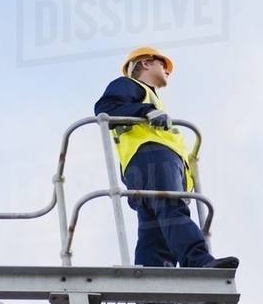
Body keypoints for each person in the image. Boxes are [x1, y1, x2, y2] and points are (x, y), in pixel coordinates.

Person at [94, 46, 238, 270]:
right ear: (145, 63)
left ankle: (151, 290)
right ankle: (199, 261)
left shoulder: (152, 98)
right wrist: (146, 111)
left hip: (147, 163)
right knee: (171, 209)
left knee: (155, 231)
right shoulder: (131, 86)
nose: (168, 70)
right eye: (163, 63)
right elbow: (106, 108)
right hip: (151, 156)